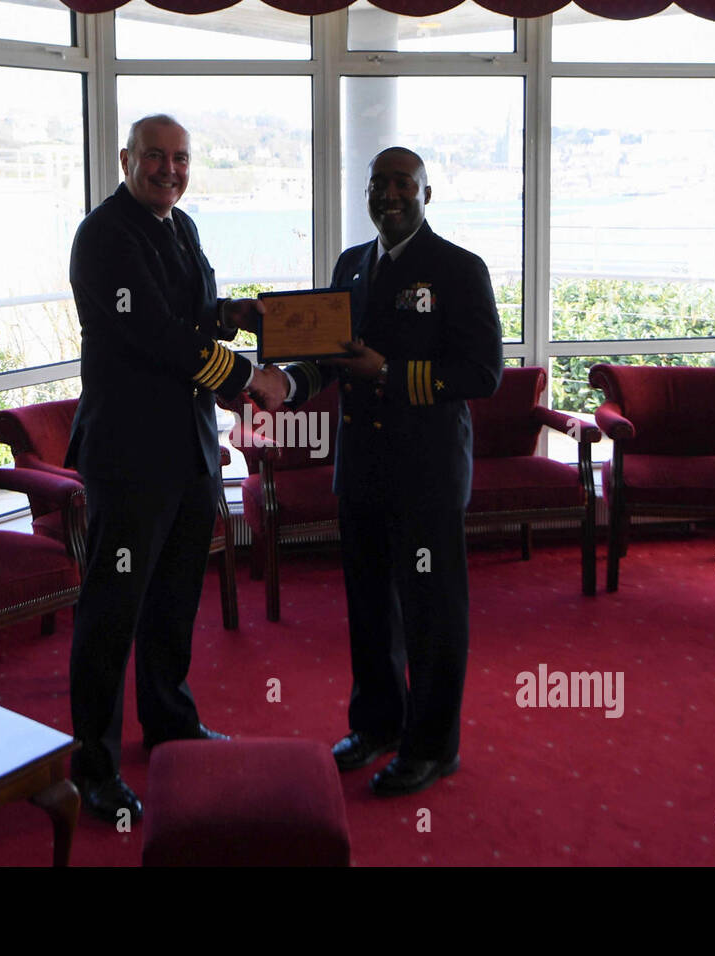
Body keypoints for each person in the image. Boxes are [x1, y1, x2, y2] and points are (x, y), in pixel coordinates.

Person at [257, 146, 503, 796]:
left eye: (403, 184)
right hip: (361, 470)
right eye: (379, 184)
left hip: (425, 474)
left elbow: (484, 372)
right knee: (369, 609)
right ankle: (377, 725)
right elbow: (330, 360)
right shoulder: (351, 267)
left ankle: (431, 747)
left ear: (426, 194)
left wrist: (391, 374)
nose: (389, 194)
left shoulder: (458, 269)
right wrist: (287, 381)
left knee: (430, 613)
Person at [65, 114, 285, 822]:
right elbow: (157, 334)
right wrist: (247, 377)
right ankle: (93, 768)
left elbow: (188, 314)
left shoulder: (177, 225)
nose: (169, 169)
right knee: (112, 612)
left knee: (172, 602)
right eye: (155, 157)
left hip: (188, 452)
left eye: (181, 158)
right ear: (125, 157)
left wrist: (240, 312)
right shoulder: (103, 235)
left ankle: (169, 721)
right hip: (130, 459)